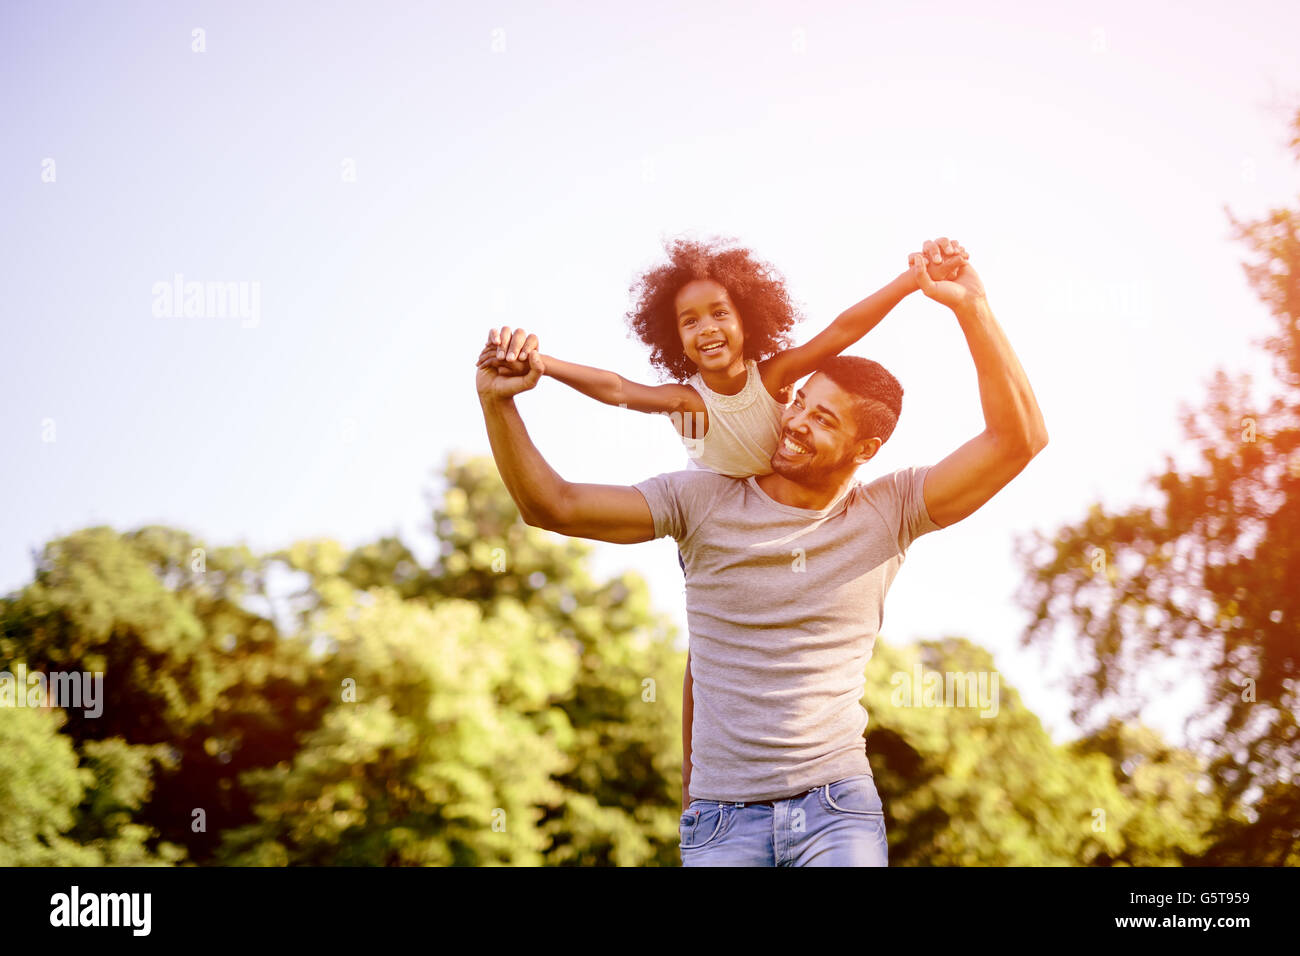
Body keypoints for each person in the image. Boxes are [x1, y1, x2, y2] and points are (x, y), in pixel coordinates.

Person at [475, 243, 1048, 866]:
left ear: (866, 448)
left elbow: (1019, 439)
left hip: (837, 812)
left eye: (824, 419)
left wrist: (973, 308)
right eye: (801, 400)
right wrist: (498, 403)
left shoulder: (891, 510)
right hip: (722, 821)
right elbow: (553, 505)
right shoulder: (700, 500)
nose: (796, 420)